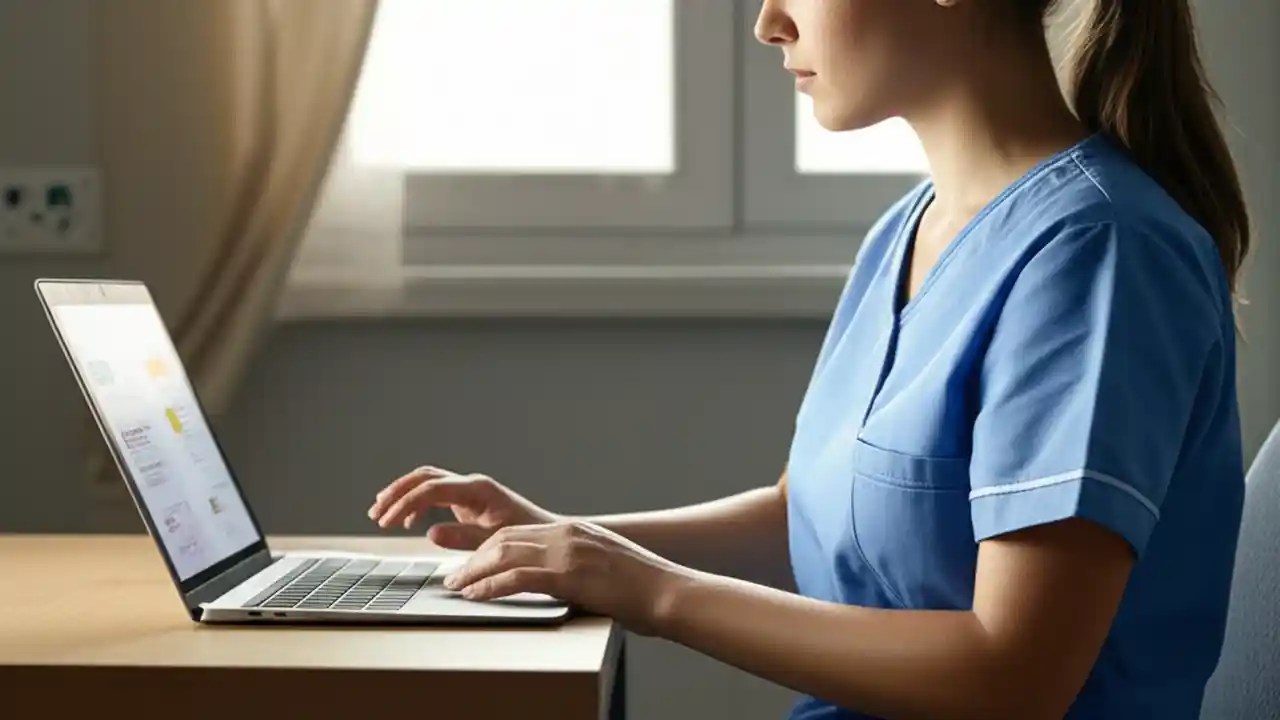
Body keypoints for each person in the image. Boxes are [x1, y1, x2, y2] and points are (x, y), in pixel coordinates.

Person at [368, 0, 1251, 717]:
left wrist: (655, 593)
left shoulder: (1100, 254)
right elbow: (815, 528)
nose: (767, 22)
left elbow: (1011, 677)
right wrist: (575, 543)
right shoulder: (907, 230)